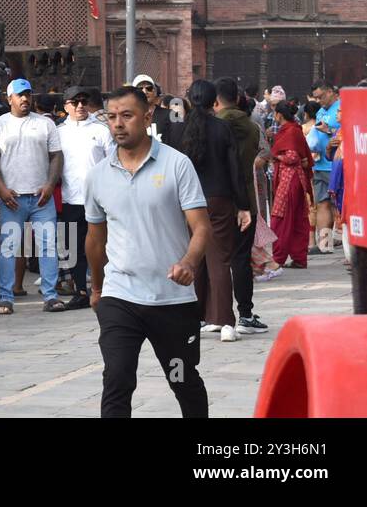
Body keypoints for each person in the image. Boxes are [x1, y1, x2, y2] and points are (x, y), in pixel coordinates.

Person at [86, 86, 212, 418]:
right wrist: (98, 288)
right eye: (111, 117)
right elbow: (95, 240)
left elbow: (201, 227)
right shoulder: (98, 176)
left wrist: (189, 262)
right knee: (117, 377)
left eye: (126, 116)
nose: (117, 124)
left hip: (172, 299)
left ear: (146, 117)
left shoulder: (177, 165)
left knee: (182, 380)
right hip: (120, 295)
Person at [168, 79, 251, 343]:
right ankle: (226, 321)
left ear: (190, 100)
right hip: (218, 199)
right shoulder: (222, 128)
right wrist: (243, 205)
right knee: (220, 260)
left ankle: (199, 316)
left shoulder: (178, 129)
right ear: (214, 101)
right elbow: (234, 169)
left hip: (187, 202)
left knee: (196, 259)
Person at [0, 79, 65, 315]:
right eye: (19, 95)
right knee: (8, 248)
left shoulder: (45, 124)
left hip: (42, 197)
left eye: (28, 94)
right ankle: (6, 297)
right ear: (9, 98)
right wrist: (1, 189)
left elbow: (56, 156)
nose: (24, 99)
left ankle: (51, 296)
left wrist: (50, 185)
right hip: (12, 197)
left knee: (48, 246)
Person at [214, 77, 267, 336]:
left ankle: (215, 314)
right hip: (247, 199)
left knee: (216, 258)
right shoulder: (252, 126)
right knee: (241, 259)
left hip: (218, 199)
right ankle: (245, 313)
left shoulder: (213, 126)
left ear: (216, 100)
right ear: (237, 98)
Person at [57, 86, 113, 310]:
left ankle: (106, 289)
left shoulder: (101, 130)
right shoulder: (58, 132)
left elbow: (112, 161)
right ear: (65, 106)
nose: (80, 106)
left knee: (102, 246)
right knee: (74, 248)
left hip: (99, 199)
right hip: (71, 198)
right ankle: (81, 290)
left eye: (83, 101)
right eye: (74, 102)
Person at [270, 100, 313, 271]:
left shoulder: (290, 132)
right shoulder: (294, 130)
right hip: (297, 180)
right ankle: (299, 258)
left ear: (279, 115)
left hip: (290, 180)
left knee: (280, 219)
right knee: (296, 220)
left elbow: (292, 157)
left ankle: (278, 258)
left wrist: (276, 156)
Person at [308, 82, 340, 254]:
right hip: (320, 163)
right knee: (322, 204)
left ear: (330, 91)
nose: (319, 101)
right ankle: (324, 244)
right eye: (317, 98)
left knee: (339, 205)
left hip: (336, 164)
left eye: (322, 96)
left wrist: (329, 131)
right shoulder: (321, 111)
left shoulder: (341, 108)